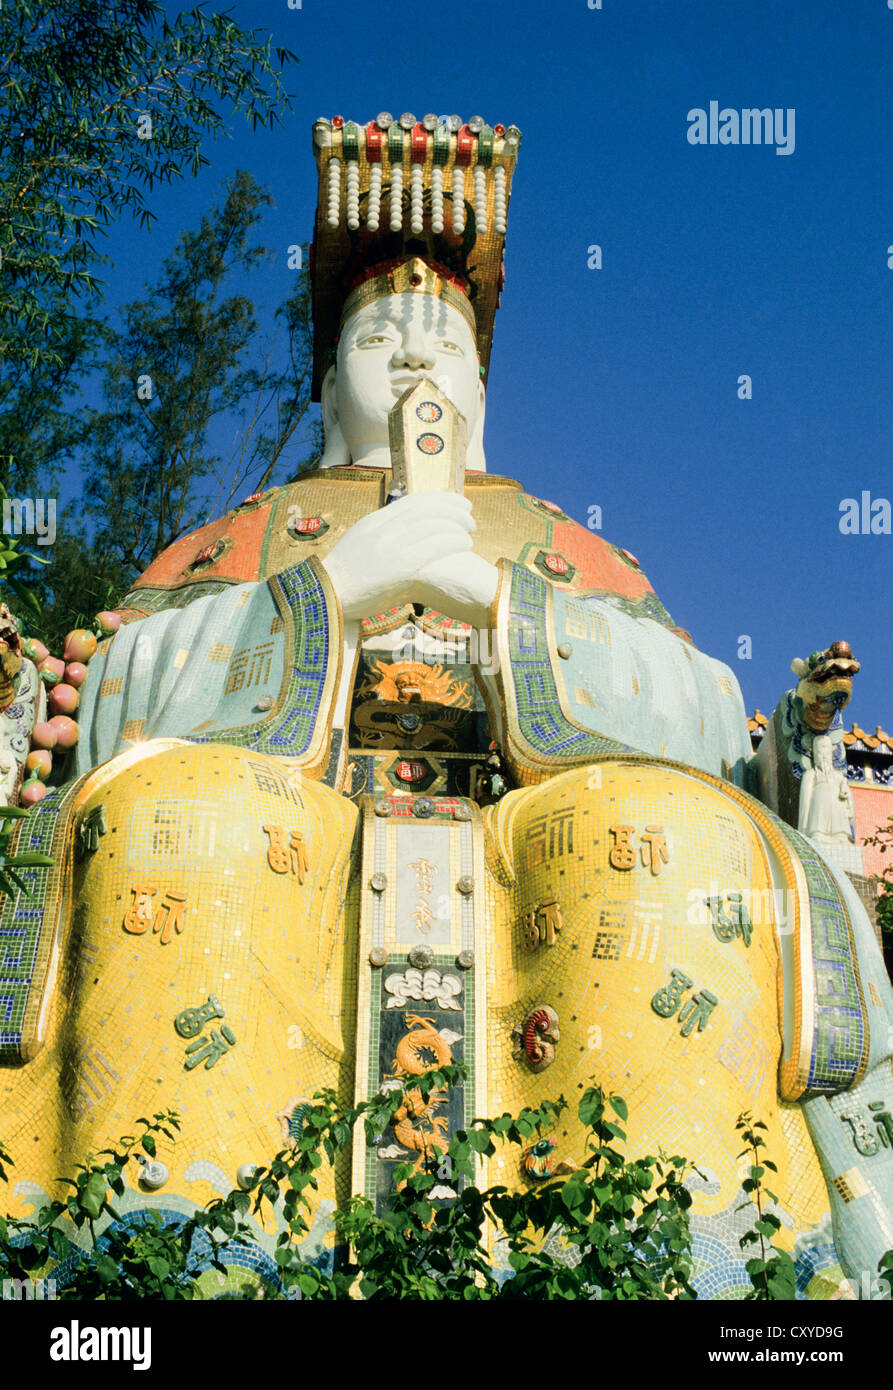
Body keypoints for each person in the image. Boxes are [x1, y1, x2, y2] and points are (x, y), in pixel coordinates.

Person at [1, 114, 890, 1300]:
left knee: (659, 840)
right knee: (185, 818)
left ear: (482, 385)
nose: (416, 363)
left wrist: (497, 601)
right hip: (295, 816)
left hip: (524, 828)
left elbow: (695, 714)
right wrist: (327, 595)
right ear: (325, 383)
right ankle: (177, 1260)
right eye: (377, 337)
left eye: (447, 345)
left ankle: (663, 1262)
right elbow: (113, 697)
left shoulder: (567, 549)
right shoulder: (239, 540)